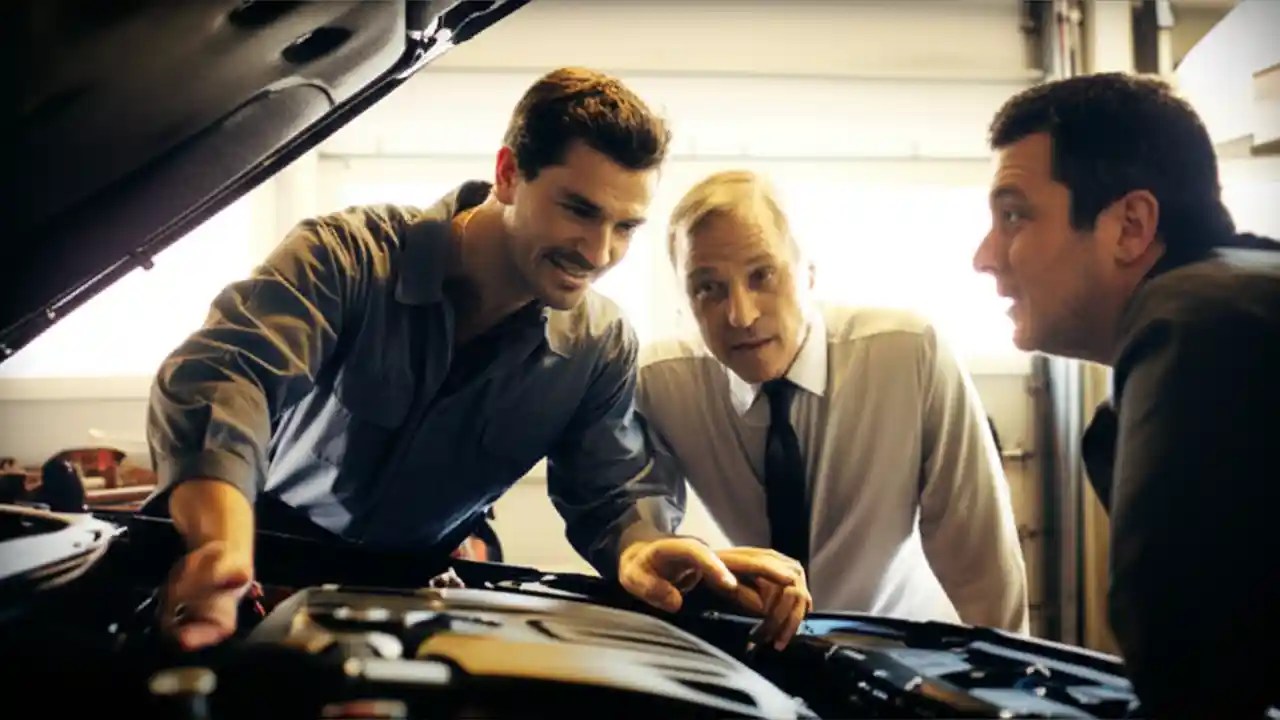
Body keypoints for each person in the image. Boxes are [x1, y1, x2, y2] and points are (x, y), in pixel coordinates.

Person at [144, 67, 809, 652]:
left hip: (399, 603)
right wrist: (220, 550)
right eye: (579, 210)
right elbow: (227, 378)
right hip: (238, 560)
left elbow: (613, 497)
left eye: (626, 226)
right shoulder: (345, 255)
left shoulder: (600, 347)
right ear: (509, 173)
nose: (599, 251)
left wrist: (646, 550)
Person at [973, 72, 1279, 718]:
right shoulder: (1242, 291)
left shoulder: (1194, 320)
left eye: (1013, 216)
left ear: (1131, 225)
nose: (985, 255)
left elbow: (1186, 664)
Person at [637, 170, 1030, 632]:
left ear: (809, 275)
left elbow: (980, 558)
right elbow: (643, 538)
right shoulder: (661, 382)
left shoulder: (908, 355)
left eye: (762, 275)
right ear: (685, 301)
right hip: (762, 642)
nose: (741, 315)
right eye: (709, 288)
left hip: (900, 641)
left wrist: (1008, 689)